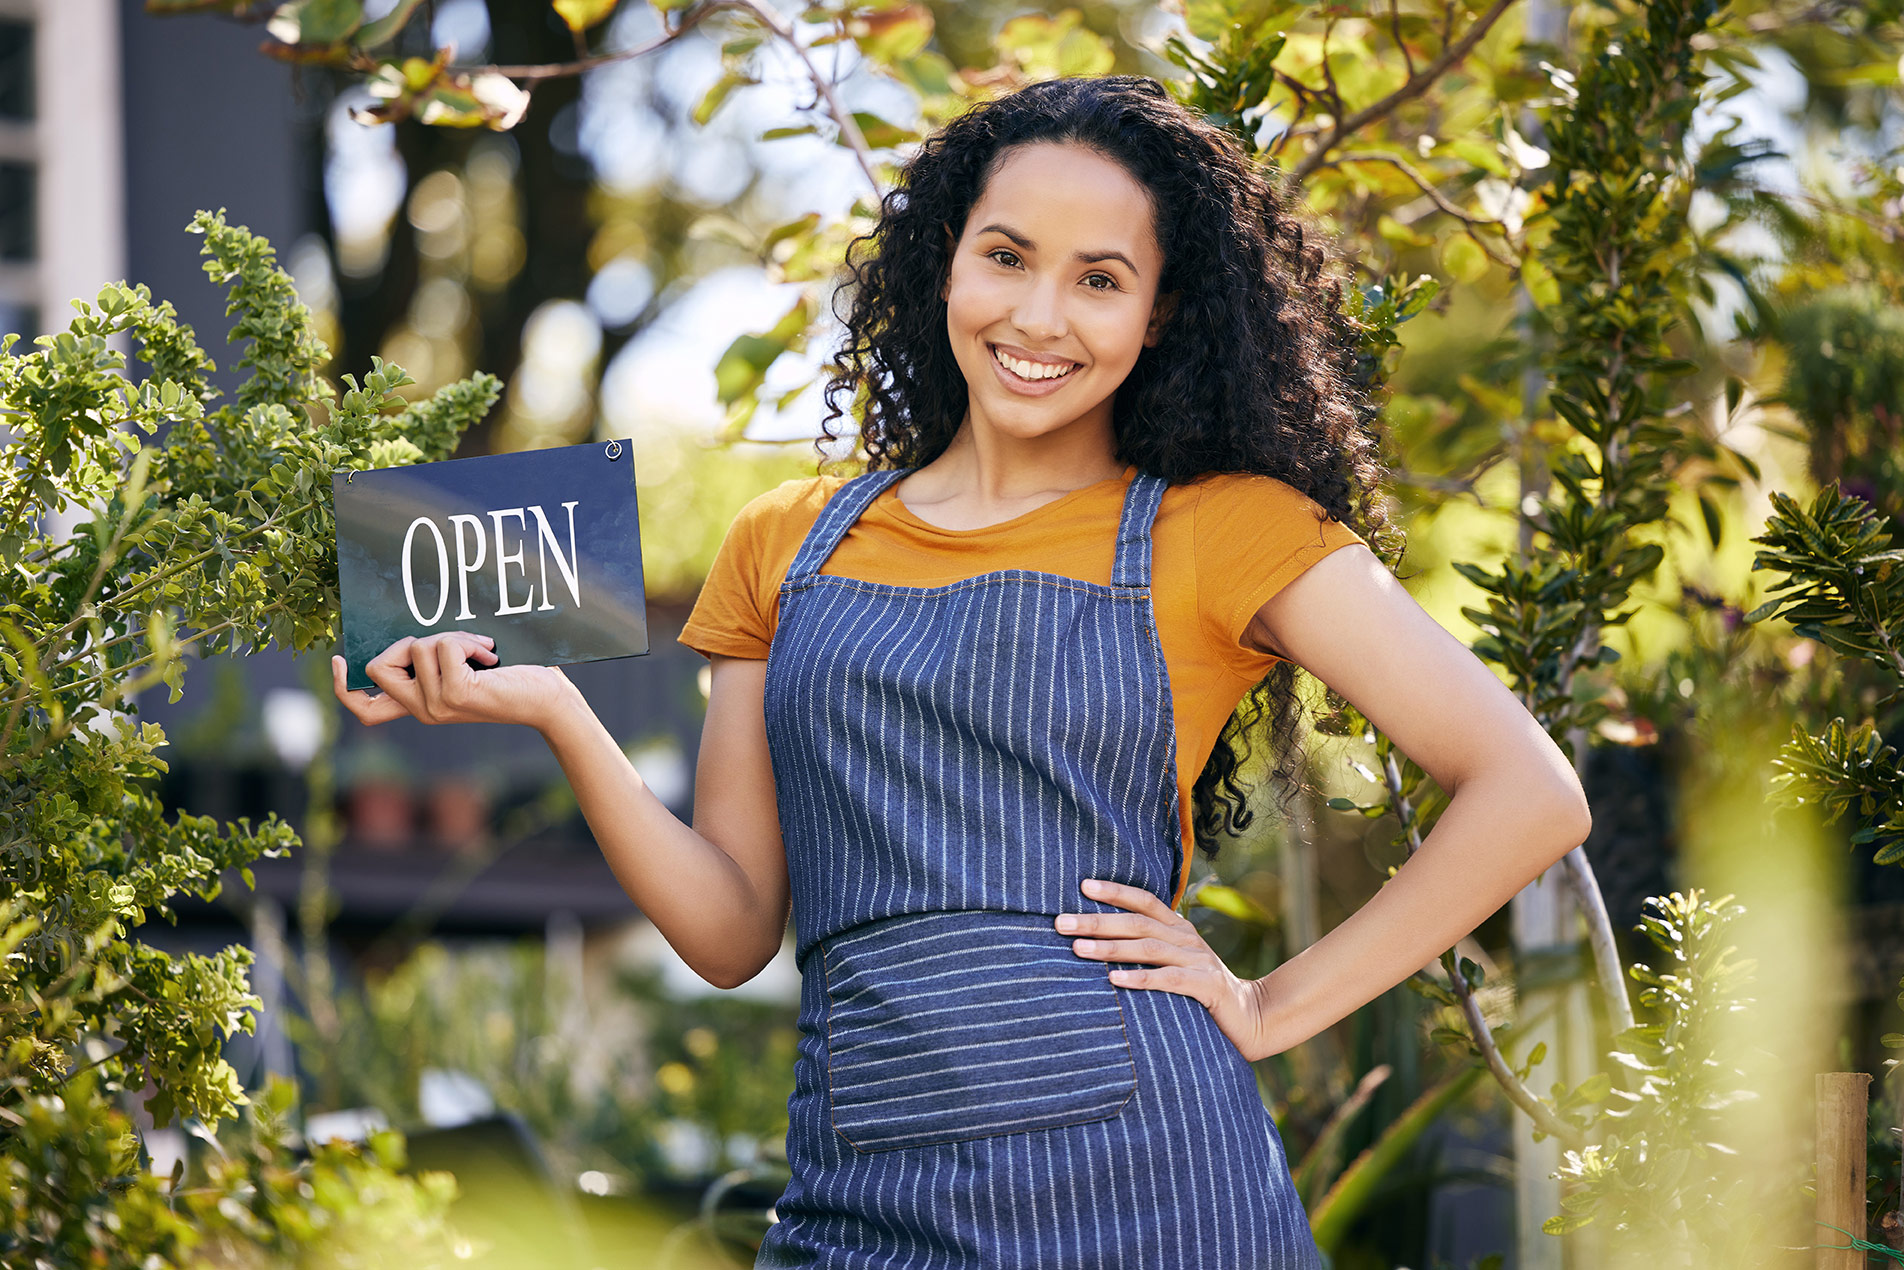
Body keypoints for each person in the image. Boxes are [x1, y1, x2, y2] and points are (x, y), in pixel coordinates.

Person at [332, 74, 1592, 1270]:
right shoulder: (782, 541)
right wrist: (557, 710)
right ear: (946, 258)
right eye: (1005, 256)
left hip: (1151, 1187)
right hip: (862, 1194)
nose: (1038, 316)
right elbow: (727, 933)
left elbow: (1527, 790)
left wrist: (1267, 1007)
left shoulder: (1225, 531)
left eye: (1098, 279)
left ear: (1159, 314)